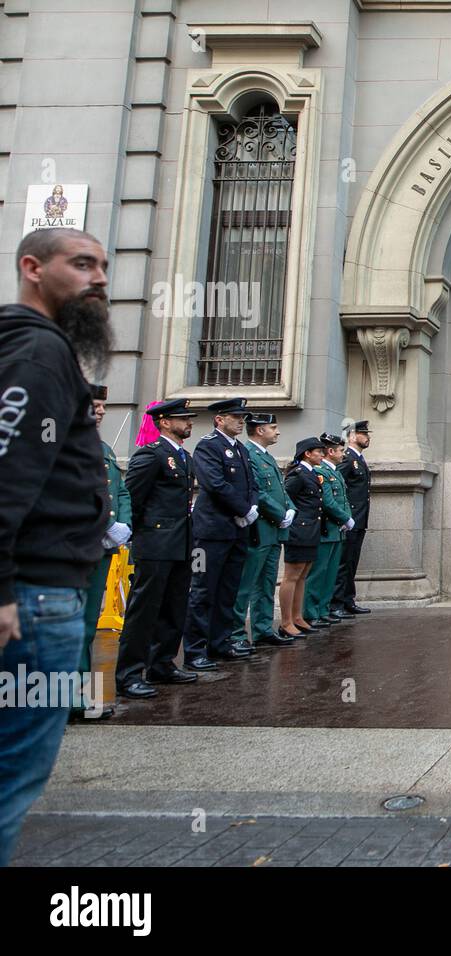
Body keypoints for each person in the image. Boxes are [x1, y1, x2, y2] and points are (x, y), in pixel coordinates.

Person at [0, 228, 114, 865]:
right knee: (12, 777)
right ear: (32, 268)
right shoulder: (38, 354)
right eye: (81, 264)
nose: (99, 278)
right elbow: (7, 470)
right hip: (33, 601)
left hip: (36, 594)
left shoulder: (34, 349)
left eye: (102, 265)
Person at [115, 399, 199, 695]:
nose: (189, 422)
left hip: (180, 542)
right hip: (155, 543)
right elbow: (133, 497)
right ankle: (128, 674)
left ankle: (161, 663)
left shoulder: (184, 456)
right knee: (144, 610)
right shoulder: (151, 455)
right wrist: (134, 534)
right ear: (164, 422)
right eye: (183, 418)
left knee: (174, 607)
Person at [181, 398, 258, 666]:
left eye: (243, 417)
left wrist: (252, 508)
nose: (241, 421)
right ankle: (195, 651)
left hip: (236, 531)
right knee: (203, 590)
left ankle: (220, 642)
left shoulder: (241, 450)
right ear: (219, 419)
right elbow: (215, 484)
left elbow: (252, 484)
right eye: (235, 417)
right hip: (212, 530)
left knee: (228, 590)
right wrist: (242, 510)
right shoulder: (208, 446)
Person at [72, 383, 131, 721]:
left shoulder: (104, 448)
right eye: (95, 404)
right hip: (75, 548)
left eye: (103, 405)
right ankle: (65, 700)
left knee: (90, 622)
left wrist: (123, 525)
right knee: (71, 625)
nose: (102, 410)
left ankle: (77, 697)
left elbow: (119, 492)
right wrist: (104, 526)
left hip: (103, 548)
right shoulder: (59, 445)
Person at [230, 412, 295, 648]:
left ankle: (262, 628)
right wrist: (280, 513)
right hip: (259, 529)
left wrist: (290, 509)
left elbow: (280, 489)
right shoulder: (249, 454)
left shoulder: (265, 456)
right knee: (246, 584)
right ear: (260, 430)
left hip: (274, 530)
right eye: (273, 427)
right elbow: (258, 491)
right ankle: (237, 633)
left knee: (266, 583)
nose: (277, 432)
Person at [305, 434, 354, 628]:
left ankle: (323, 609)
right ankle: (311, 612)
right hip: (327, 529)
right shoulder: (321, 472)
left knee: (330, 574)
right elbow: (327, 501)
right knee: (318, 574)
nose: (344, 454)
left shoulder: (335, 472)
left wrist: (347, 518)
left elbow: (343, 499)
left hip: (337, 530)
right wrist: (344, 518)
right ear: (331, 451)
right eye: (341, 450)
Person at [281, 437, 326, 637]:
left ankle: (297, 617)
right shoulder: (298, 474)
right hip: (299, 530)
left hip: (311, 530)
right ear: (307, 453)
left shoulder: (311, 473)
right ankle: (286, 621)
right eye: (319, 451)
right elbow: (285, 496)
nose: (322, 455)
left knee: (303, 575)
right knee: (292, 576)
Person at [332, 419, 372, 616]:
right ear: (353, 436)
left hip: (359, 518)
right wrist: (343, 516)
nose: (368, 437)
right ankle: (337, 603)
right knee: (343, 562)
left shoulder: (359, 459)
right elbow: (337, 487)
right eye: (364, 434)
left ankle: (348, 600)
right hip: (350, 519)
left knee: (351, 562)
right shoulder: (347, 458)